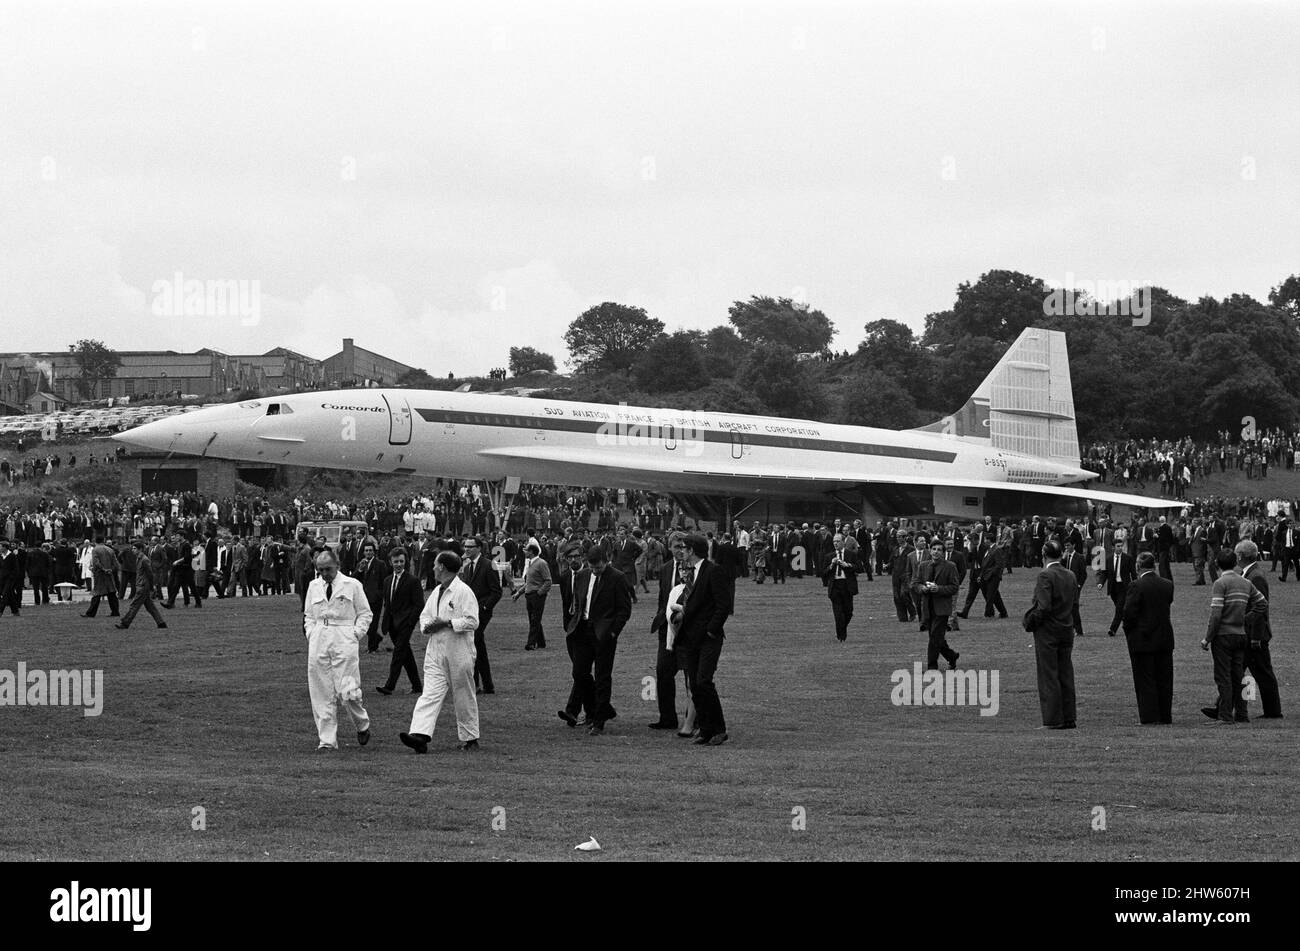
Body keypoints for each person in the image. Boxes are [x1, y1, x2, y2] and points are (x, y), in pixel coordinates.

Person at [400, 550, 481, 753]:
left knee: (463, 694)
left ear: (442, 567)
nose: (433, 568)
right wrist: (427, 627)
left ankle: (470, 737)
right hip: (436, 649)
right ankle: (419, 734)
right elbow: (425, 615)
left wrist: (447, 623)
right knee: (430, 693)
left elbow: (473, 621)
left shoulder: (463, 591)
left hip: (458, 651)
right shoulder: (437, 591)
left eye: (436, 564)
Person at [303, 550, 372, 751]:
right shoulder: (313, 586)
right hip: (319, 638)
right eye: (321, 570)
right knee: (321, 691)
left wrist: (355, 634)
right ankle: (327, 741)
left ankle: (362, 724)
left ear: (338, 565)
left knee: (347, 690)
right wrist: (311, 633)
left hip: (344, 638)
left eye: (328, 569)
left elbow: (365, 613)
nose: (325, 573)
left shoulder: (352, 585)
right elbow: (308, 614)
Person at [563, 546, 632, 735]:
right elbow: (578, 603)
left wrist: (613, 633)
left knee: (602, 676)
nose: (595, 571)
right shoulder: (582, 576)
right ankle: (600, 709)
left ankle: (599, 720)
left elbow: (624, 610)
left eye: (599, 567)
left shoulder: (617, 577)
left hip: (604, 634)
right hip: (582, 631)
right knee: (579, 673)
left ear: (606, 560)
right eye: (592, 568)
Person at [674, 534, 733, 746]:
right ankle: (705, 729)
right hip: (691, 637)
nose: (681, 551)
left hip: (708, 638)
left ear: (691, 550)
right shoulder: (693, 573)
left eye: (684, 548)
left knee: (703, 681)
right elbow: (688, 601)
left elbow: (723, 604)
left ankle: (719, 729)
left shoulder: (713, 571)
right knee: (695, 686)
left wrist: (711, 630)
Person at [1201, 549, 1267, 724]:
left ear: (1218, 564)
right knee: (1238, 676)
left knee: (1223, 677)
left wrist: (1207, 638)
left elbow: (1216, 615)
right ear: (1235, 563)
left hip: (1223, 636)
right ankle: (1242, 715)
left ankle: (1225, 716)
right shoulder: (1245, 582)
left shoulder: (1220, 583)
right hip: (1240, 635)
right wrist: (1245, 619)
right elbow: (1262, 603)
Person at [1027, 540, 1078, 729]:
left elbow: (1043, 606)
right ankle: (1069, 716)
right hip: (1066, 628)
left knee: (1048, 674)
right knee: (1065, 673)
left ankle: (1053, 719)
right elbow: (1074, 602)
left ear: (1043, 553)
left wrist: (1030, 622)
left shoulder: (1045, 575)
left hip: (1048, 631)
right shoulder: (1070, 574)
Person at [1121, 552, 1174, 724]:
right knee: (1164, 679)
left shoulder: (1136, 585)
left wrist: (1129, 631)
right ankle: (1165, 715)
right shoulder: (1167, 584)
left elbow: (1129, 613)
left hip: (1142, 638)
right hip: (1164, 637)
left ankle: (1150, 716)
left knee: (1145, 680)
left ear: (1138, 565)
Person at [1235, 540, 1283, 719]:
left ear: (1241, 556)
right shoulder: (1251, 573)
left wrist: (1255, 637)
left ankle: (1273, 711)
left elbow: (1260, 609)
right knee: (1238, 669)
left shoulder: (1256, 577)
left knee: (1262, 673)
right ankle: (1221, 706)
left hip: (1255, 635)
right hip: (1250, 633)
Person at [375, 548, 424, 696]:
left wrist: (410, 622)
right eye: (396, 561)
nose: (399, 564)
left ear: (406, 562)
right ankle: (417, 686)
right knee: (405, 654)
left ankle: (389, 686)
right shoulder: (387, 580)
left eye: (401, 561)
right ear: (390, 562)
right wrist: (385, 623)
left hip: (405, 624)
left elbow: (419, 604)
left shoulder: (413, 581)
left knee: (398, 654)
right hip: (392, 625)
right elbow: (387, 604)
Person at [556, 543, 595, 727]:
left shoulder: (590, 576)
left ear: (583, 557)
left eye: (576, 556)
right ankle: (593, 712)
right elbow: (566, 603)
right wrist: (567, 625)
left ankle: (572, 710)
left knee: (579, 671)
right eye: (569, 557)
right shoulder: (564, 577)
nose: (573, 560)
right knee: (583, 673)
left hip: (586, 629)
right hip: (571, 629)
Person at [460, 536, 501, 695]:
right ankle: (487, 685)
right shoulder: (467, 565)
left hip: (481, 613)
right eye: (465, 547)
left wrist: (485, 607)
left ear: (479, 548)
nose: (466, 549)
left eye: (470, 547)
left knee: (473, 645)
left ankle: (475, 684)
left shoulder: (489, 565)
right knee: (478, 647)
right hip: (470, 612)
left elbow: (496, 591)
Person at [913, 539, 960, 670]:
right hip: (927, 607)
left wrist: (938, 589)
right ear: (930, 550)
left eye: (939, 550)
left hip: (942, 608)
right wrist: (922, 588)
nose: (936, 552)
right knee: (937, 638)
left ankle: (932, 667)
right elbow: (915, 583)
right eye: (934, 549)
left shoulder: (950, 566)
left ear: (943, 552)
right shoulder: (923, 565)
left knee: (934, 637)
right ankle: (951, 656)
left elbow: (954, 587)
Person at [115, 539, 168, 630]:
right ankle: (161, 623)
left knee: (134, 605)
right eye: (132, 548)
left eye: (135, 548)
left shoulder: (144, 560)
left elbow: (150, 574)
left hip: (143, 586)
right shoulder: (139, 558)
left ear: (140, 549)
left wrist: (151, 586)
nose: (132, 550)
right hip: (141, 585)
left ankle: (125, 623)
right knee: (150, 607)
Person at [820, 533, 860, 642]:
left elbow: (859, 567)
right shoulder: (829, 556)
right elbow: (823, 572)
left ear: (843, 542)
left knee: (848, 612)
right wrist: (831, 565)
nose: (835, 543)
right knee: (838, 614)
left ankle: (842, 630)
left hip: (847, 586)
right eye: (834, 541)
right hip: (835, 587)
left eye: (838, 541)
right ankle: (841, 636)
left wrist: (848, 565)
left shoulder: (850, 554)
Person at [513, 542, 552, 650]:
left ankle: (530, 643)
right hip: (529, 595)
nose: (524, 551)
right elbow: (528, 582)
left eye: (526, 550)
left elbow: (548, 581)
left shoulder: (541, 563)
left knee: (534, 620)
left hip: (536, 595)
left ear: (531, 552)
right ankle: (541, 643)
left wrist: (539, 593)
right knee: (534, 619)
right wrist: (518, 593)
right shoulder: (531, 563)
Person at [1098, 529, 1135, 637]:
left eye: (1121, 546)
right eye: (1118, 546)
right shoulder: (1108, 559)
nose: (1120, 548)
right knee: (1121, 609)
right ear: (1113, 547)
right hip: (1113, 588)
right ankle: (1131, 624)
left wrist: (1135, 585)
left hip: (1124, 587)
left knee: (1119, 608)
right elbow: (1104, 573)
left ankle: (1112, 629)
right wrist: (1101, 583)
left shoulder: (1128, 558)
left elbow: (1133, 574)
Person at [82, 536, 121, 618]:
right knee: (111, 593)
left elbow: (96, 562)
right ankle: (115, 611)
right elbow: (116, 563)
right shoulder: (110, 549)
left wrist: (104, 569)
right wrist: (110, 570)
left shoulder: (95, 550)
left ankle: (90, 613)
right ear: (104, 540)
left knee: (97, 593)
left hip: (100, 574)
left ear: (95, 541)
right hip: (109, 574)